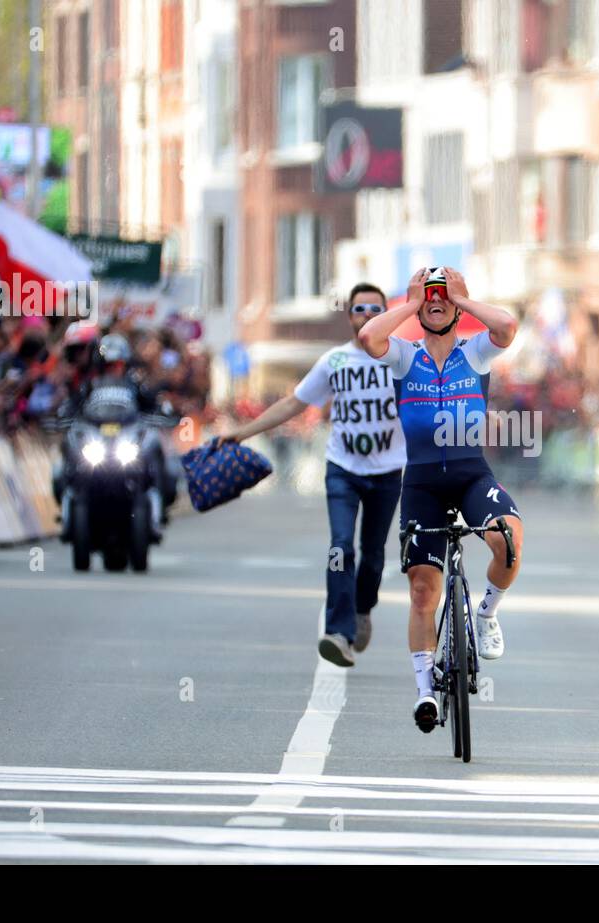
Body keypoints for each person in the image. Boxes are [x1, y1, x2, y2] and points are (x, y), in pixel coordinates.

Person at [358, 267, 524, 733]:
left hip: (472, 474)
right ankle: (424, 692)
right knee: (422, 590)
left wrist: (460, 297)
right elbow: (370, 336)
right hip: (424, 482)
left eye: (444, 296)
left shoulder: (476, 352)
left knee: (508, 540)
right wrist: (412, 302)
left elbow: (507, 327)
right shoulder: (404, 357)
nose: (437, 300)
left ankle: (486, 612)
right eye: (429, 296)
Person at [220, 283, 405, 668]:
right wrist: (243, 432)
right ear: (350, 315)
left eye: (375, 309)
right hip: (343, 469)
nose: (367, 315)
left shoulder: (400, 360)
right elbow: (293, 402)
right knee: (341, 548)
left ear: (387, 314)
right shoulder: (335, 361)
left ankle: (362, 608)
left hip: (388, 471)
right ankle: (339, 633)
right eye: (360, 309)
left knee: (373, 557)